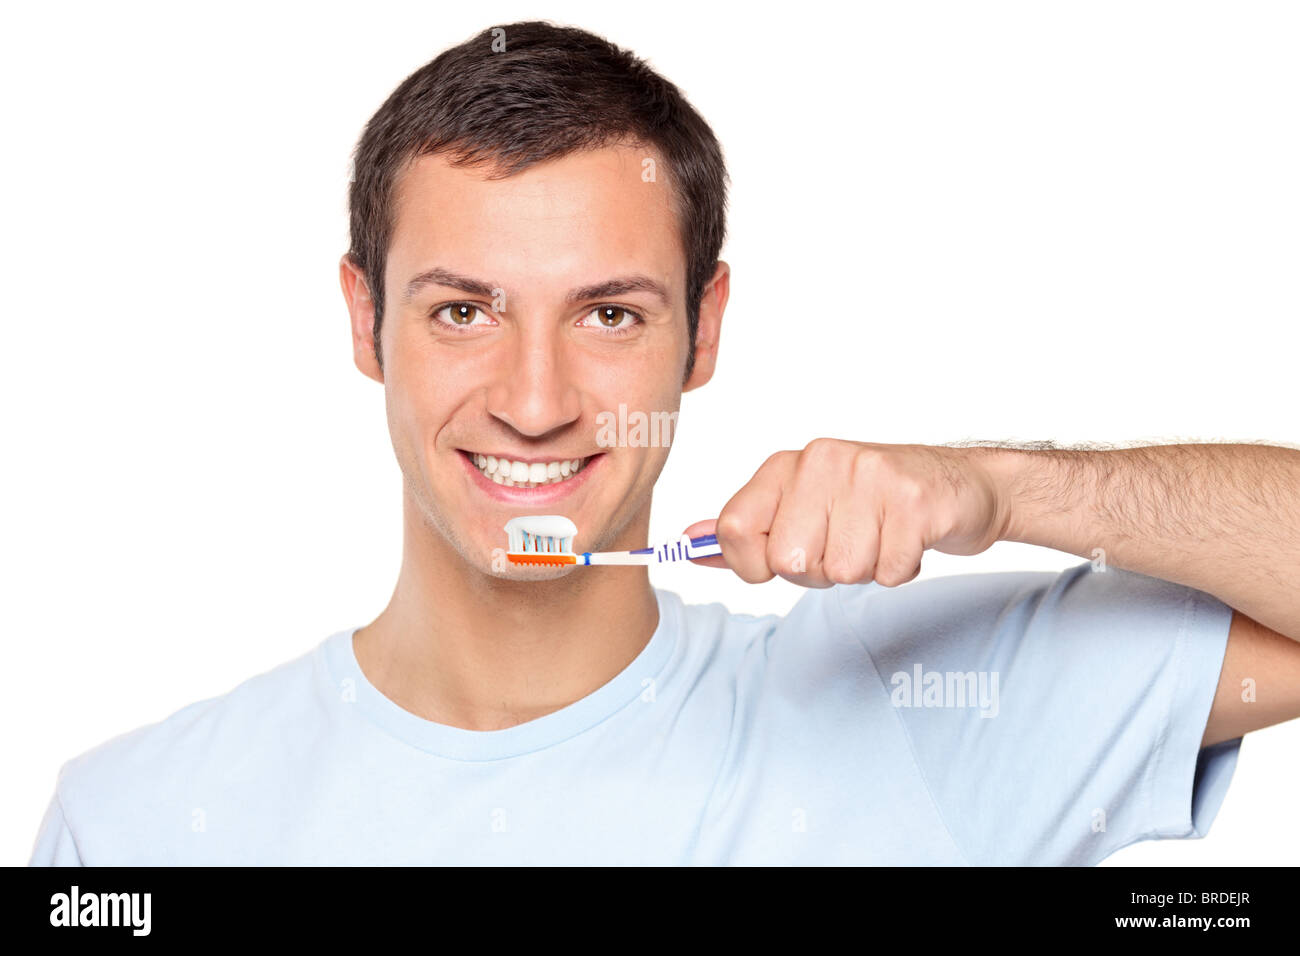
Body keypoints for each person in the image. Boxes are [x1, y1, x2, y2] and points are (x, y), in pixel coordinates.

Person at [29, 19, 1300, 866]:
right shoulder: (134, 829)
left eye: (609, 313)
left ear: (703, 330)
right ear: (365, 319)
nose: (534, 400)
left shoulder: (924, 719)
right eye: (463, 310)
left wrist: (999, 489)